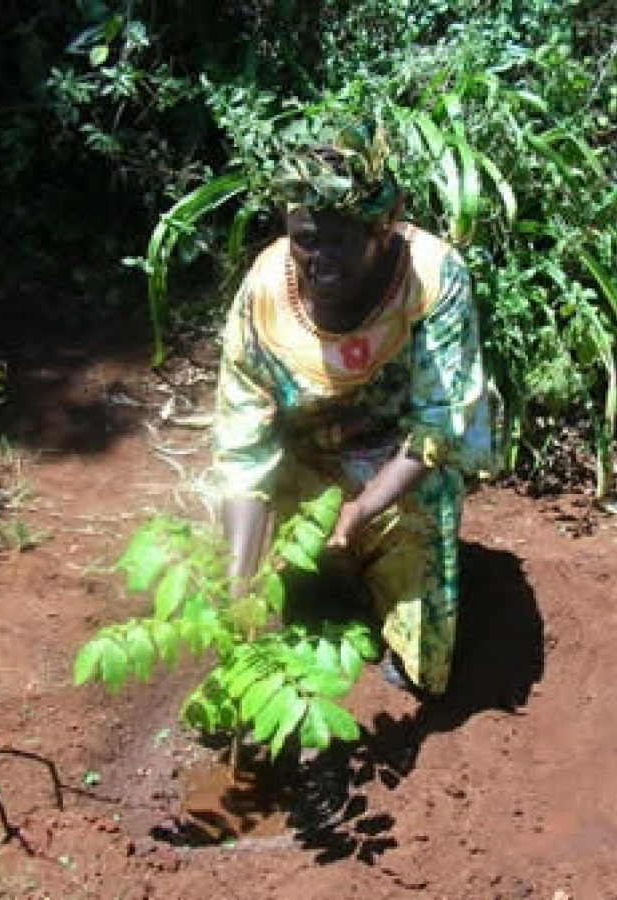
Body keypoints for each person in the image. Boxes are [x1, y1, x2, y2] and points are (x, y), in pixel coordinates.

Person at [211, 121, 495, 697]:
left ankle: (397, 623)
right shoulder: (264, 296)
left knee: (429, 495)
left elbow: (437, 425)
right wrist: (240, 585)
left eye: (340, 240)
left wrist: (359, 512)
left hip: (395, 462)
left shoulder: (432, 278)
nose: (321, 259)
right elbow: (244, 446)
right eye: (306, 239)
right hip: (303, 460)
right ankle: (306, 590)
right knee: (242, 531)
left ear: (383, 231)